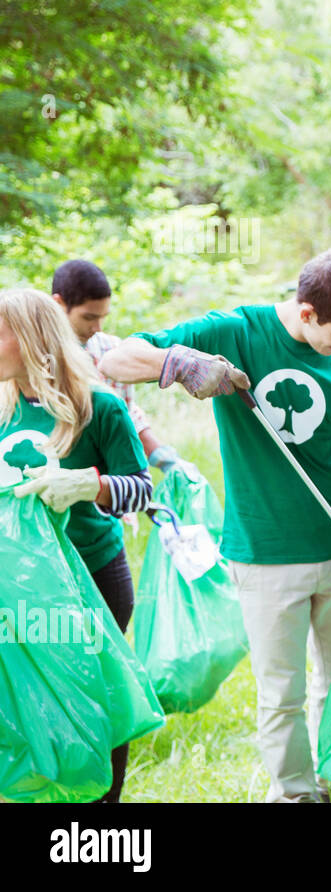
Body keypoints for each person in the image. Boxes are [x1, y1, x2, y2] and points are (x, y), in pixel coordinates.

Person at [99, 250, 331, 802]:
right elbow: (114, 359)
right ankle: (295, 793)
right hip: (263, 556)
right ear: (307, 313)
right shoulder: (235, 332)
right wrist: (183, 365)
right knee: (281, 693)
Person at [0, 289, 153, 802]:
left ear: (29, 339)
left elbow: (141, 488)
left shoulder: (100, 407)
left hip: (90, 578)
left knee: (94, 696)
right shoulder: (3, 408)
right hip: (20, 587)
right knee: (25, 700)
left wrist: (91, 484)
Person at [50, 259, 187, 476]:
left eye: (103, 317)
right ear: (58, 304)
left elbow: (126, 415)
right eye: (89, 317)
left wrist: (162, 457)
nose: (97, 328)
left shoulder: (109, 350)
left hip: (110, 486)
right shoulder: (34, 360)